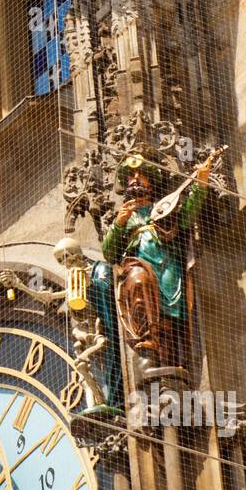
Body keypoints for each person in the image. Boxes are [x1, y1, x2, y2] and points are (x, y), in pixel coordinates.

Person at [88, 148, 213, 403]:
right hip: (140, 269)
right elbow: (110, 253)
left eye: (141, 175)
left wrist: (200, 183)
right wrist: (120, 224)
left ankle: (173, 364)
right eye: (131, 176)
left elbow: (187, 217)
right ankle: (148, 357)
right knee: (137, 281)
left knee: (170, 317)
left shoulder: (165, 209)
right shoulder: (126, 217)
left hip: (167, 267)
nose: (135, 179)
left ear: (151, 180)